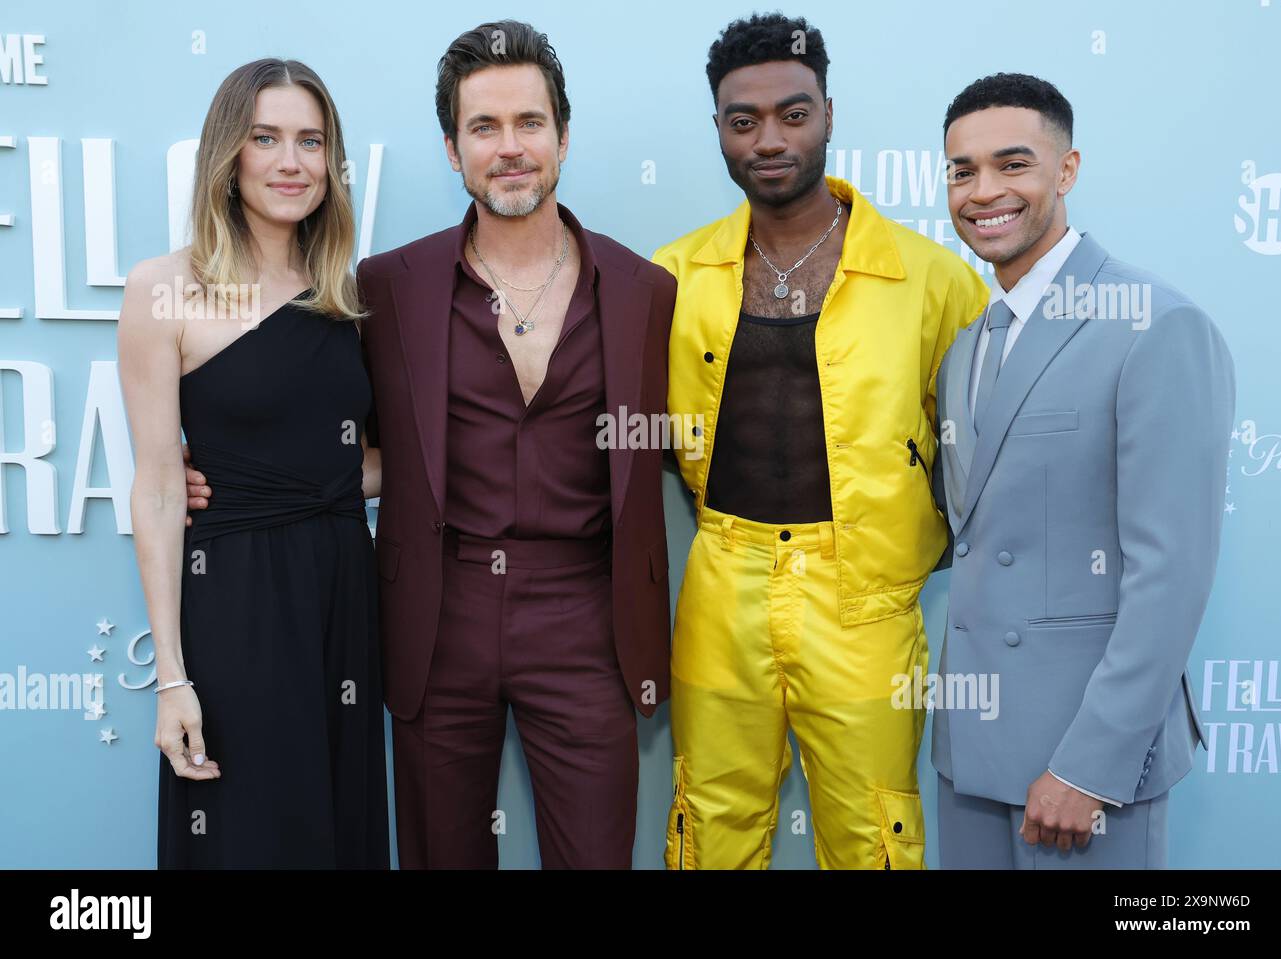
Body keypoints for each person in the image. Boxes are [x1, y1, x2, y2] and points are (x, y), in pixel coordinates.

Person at [190, 22, 676, 868]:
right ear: (453, 150)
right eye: (483, 128)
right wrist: (222, 476)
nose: (510, 147)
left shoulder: (645, 291)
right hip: (434, 619)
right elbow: (333, 432)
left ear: (564, 135)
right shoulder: (385, 287)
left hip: (588, 623)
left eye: (529, 123)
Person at [652, 12, 988, 869]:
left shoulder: (932, 278)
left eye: (793, 114)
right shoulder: (671, 277)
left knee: (877, 832)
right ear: (719, 130)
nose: (770, 138)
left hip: (866, 595)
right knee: (708, 823)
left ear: (830, 114)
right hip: (723, 577)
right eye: (743, 120)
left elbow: (988, 452)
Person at [930, 73, 1234, 868]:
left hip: (1081, 768)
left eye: (1013, 164)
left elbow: (1170, 572)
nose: (983, 190)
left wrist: (1089, 765)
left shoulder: (1155, 325)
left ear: (1066, 171)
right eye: (963, 170)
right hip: (969, 760)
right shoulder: (965, 347)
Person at [120, 58, 389, 868]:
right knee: (246, 828)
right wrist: (171, 677)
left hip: (344, 593)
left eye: (311, 141)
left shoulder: (344, 294)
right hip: (233, 598)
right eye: (265, 138)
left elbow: (369, 466)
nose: (290, 161)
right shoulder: (164, 288)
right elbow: (161, 488)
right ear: (227, 154)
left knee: (336, 826)